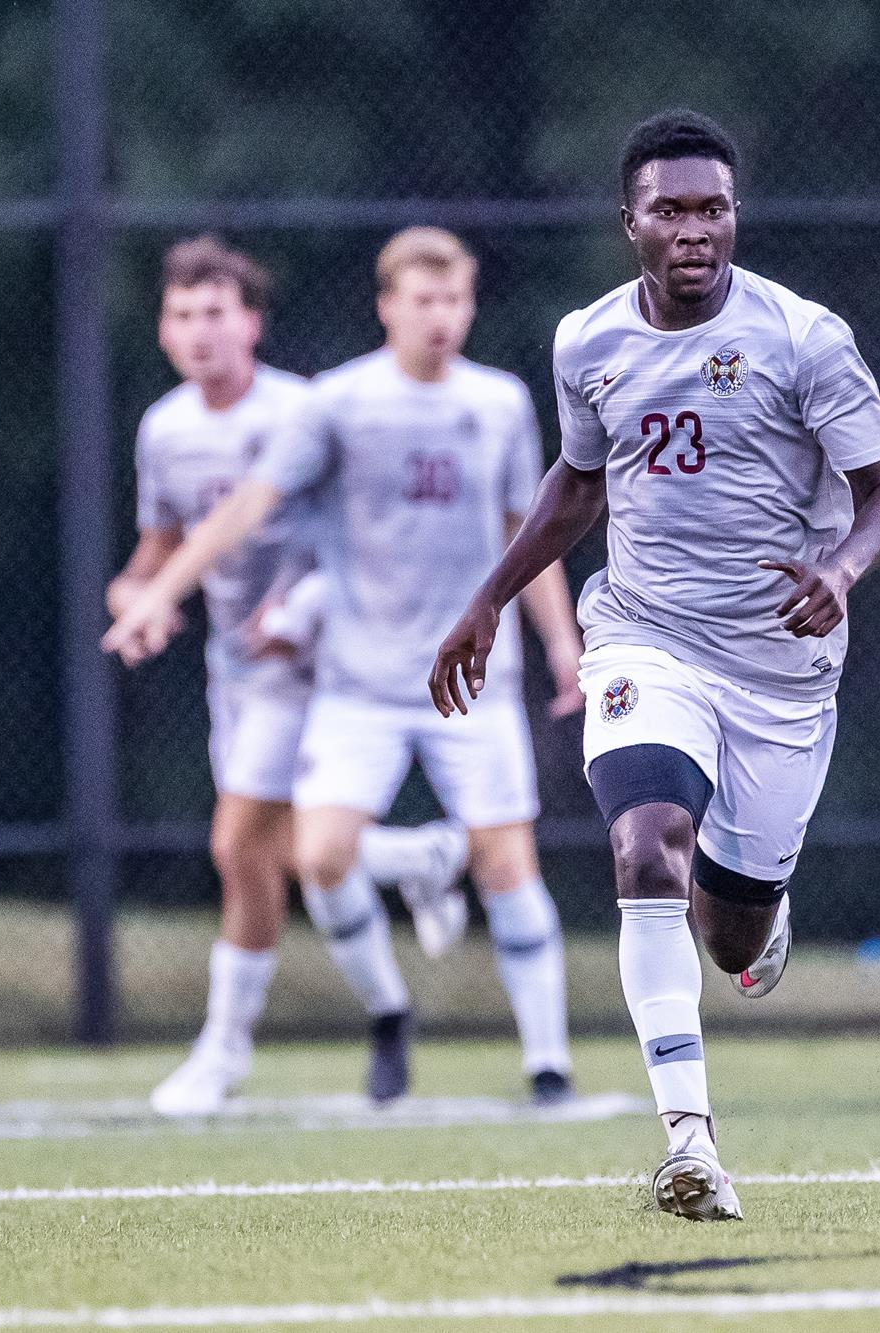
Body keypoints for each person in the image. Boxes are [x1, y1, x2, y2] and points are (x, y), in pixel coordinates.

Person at [428, 110, 880, 1219]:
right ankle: (690, 1141)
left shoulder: (804, 338)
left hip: (783, 670)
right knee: (644, 845)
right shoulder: (585, 341)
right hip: (643, 634)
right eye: (671, 210)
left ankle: (755, 907)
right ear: (630, 223)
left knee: (730, 930)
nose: (695, 229)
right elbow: (578, 483)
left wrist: (839, 569)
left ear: (733, 217)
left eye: (713, 209)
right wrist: (488, 598)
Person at [108, 227, 584, 1105]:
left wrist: (564, 643)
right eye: (422, 299)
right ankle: (397, 936)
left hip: (457, 673)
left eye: (454, 299)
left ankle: (548, 1067)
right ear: (386, 306)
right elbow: (235, 514)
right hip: (348, 677)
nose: (440, 316)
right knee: (314, 855)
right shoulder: (329, 404)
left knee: (501, 857)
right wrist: (153, 591)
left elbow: (534, 530)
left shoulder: (496, 402)